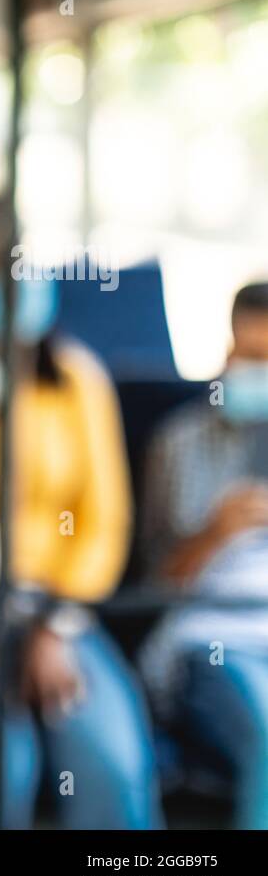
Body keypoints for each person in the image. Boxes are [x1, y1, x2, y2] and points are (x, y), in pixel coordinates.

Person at [0, 198, 163, 829]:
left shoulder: (74, 379)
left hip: (58, 613)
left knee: (108, 759)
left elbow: (103, 523)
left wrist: (54, 625)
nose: (11, 282)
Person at [140, 280, 268, 828]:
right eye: (249, 356)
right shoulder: (180, 442)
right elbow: (152, 586)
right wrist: (214, 534)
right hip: (217, 640)